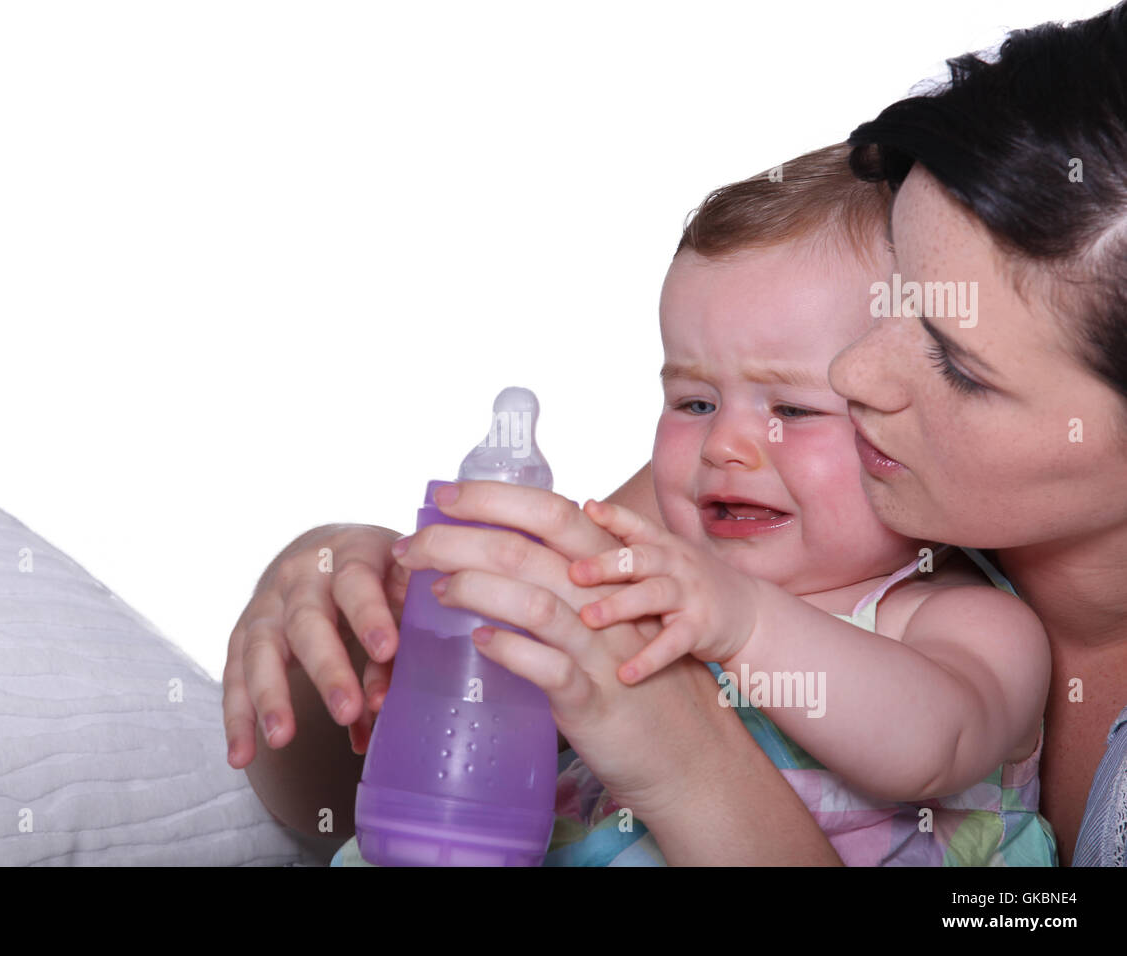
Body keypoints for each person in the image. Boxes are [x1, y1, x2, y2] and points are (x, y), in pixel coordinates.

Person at [225, 2, 1127, 866]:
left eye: (956, 360)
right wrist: (343, 623)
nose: (854, 378)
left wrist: (696, 719)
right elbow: (333, 790)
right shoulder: (708, 516)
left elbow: (930, 750)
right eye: (694, 400)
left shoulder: (946, 617)